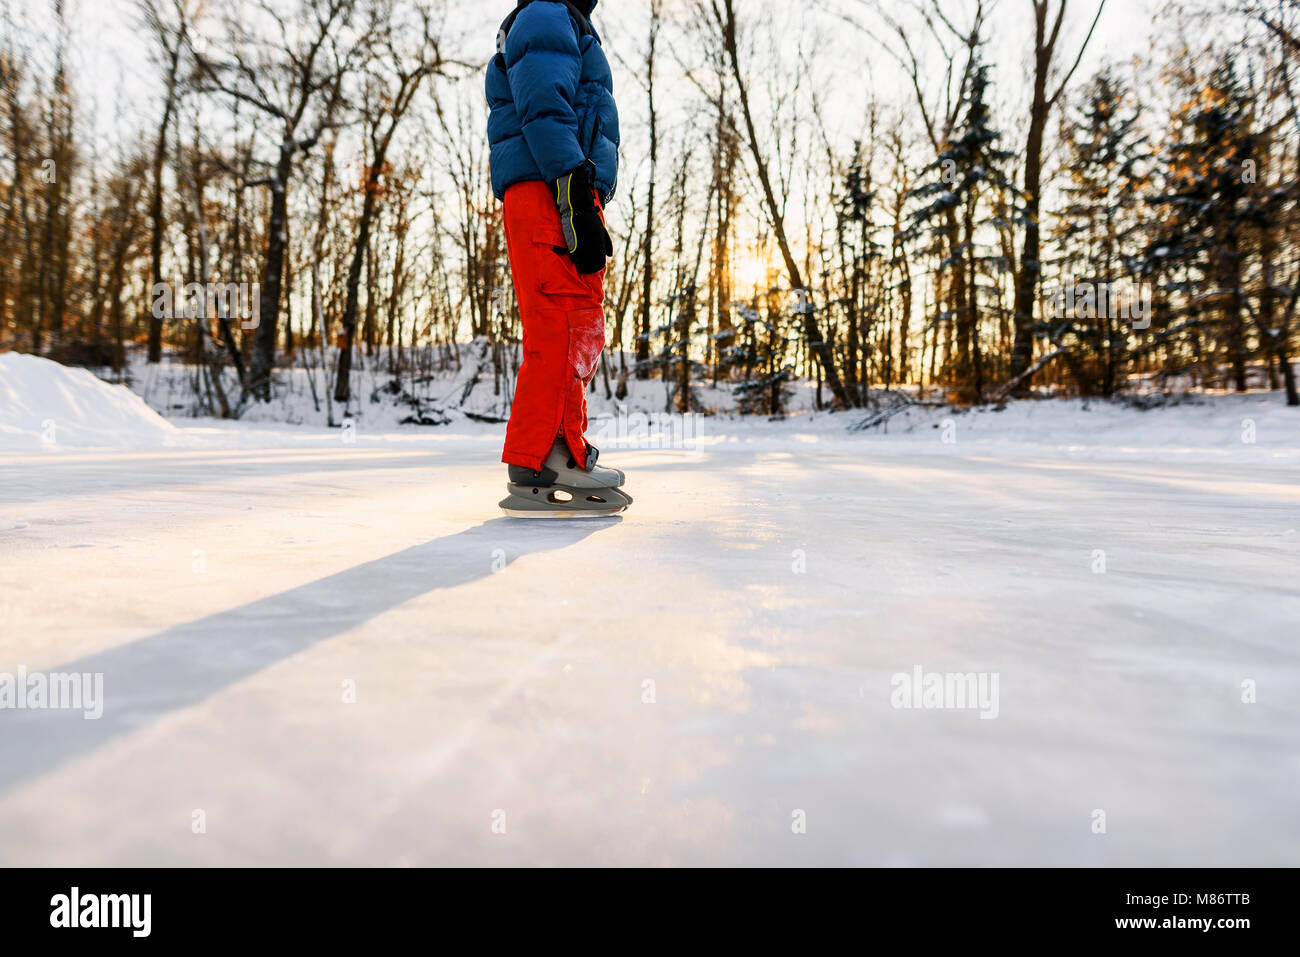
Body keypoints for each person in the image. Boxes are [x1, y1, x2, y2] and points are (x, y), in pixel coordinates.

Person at [486, 0, 632, 517]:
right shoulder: (547, 13)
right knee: (565, 322)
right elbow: (544, 104)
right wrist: (572, 189)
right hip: (554, 183)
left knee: (573, 323)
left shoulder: (556, 16)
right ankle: (549, 456)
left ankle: (552, 451)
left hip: (558, 182)